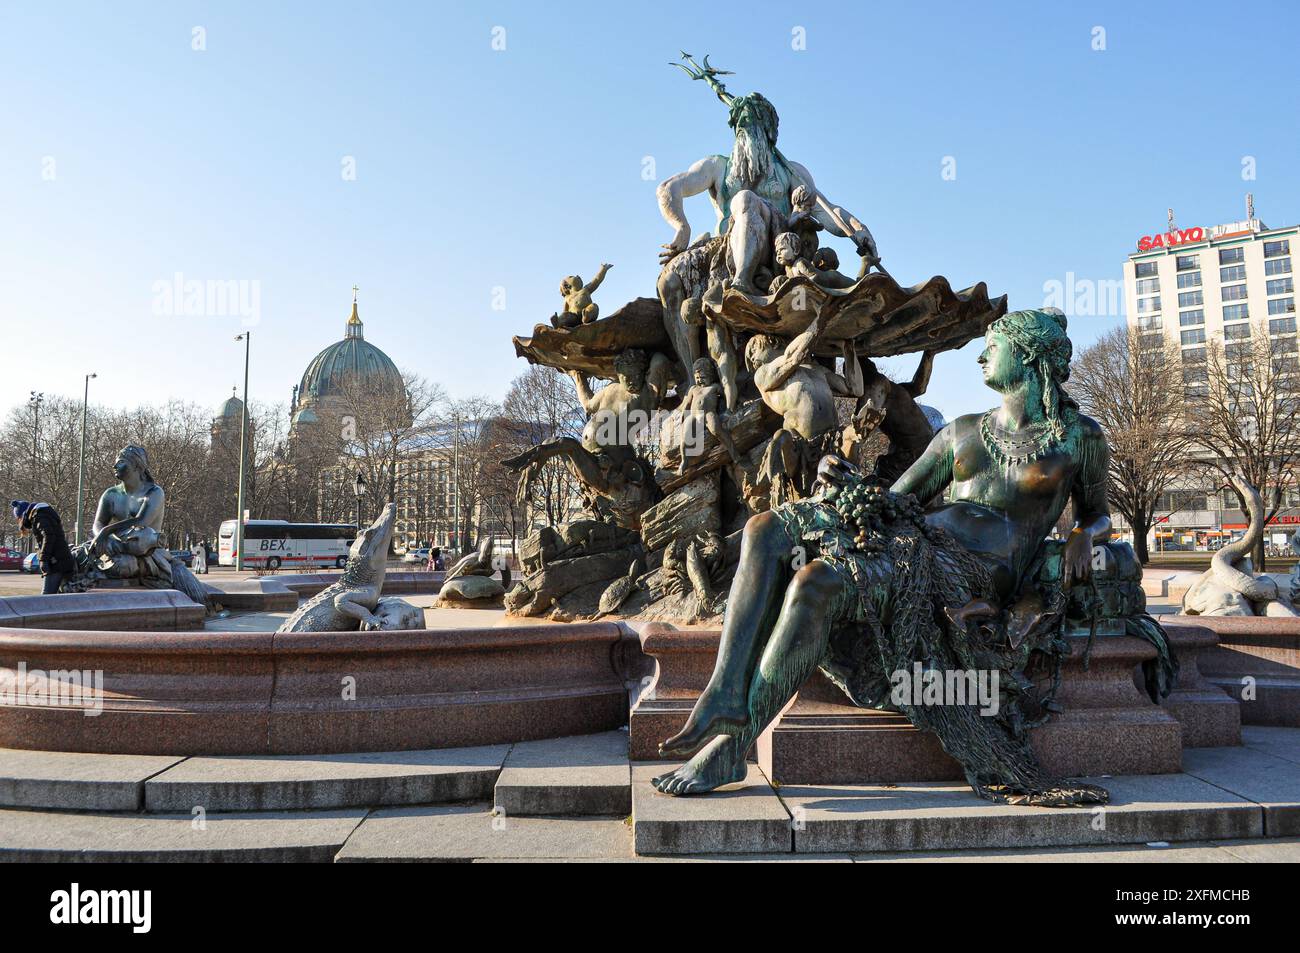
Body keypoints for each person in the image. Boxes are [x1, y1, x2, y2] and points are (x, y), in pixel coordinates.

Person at [652, 309, 1126, 804]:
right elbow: (897, 500)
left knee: (815, 583)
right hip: (910, 540)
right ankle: (726, 689)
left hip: (970, 574)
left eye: (994, 345)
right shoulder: (961, 432)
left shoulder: (1079, 437)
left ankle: (734, 744)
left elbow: (1099, 513)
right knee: (764, 527)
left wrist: (1084, 534)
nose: (983, 355)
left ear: (1027, 355)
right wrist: (848, 483)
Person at [11, 500, 75, 594]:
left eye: (19, 518)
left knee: (46, 597)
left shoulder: (39, 516)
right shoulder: (42, 515)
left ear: (23, 514)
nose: (21, 522)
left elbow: (48, 536)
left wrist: (43, 559)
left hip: (57, 563)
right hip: (60, 560)